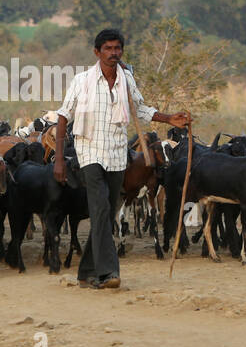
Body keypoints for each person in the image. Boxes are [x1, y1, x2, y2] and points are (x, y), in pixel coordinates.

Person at [54, 28, 190, 289]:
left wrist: (169, 118)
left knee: (107, 212)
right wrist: (59, 160)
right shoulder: (81, 81)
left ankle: (85, 273)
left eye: (117, 48)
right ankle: (108, 272)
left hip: (117, 154)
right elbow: (63, 117)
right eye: (108, 48)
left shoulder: (127, 79)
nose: (113, 53)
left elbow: (141, 108)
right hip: (89, 152)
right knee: (102, 208)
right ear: (97, 52)